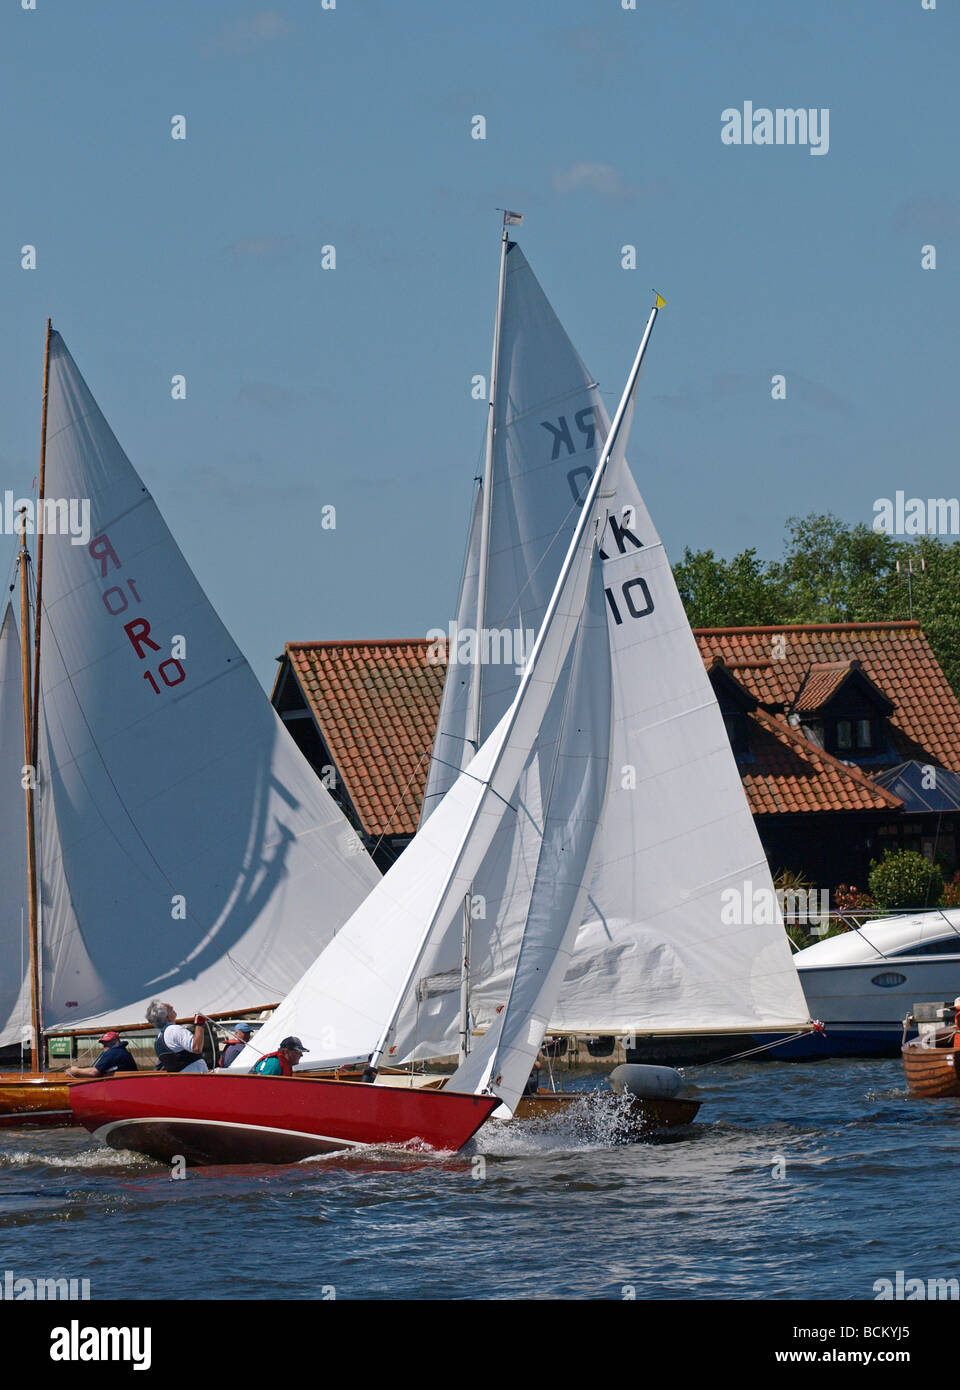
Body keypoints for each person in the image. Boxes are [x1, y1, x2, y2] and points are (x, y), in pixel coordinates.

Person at [146, 1000, 209, 1074]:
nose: (172, 1007)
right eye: (170, 1008)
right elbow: (196, 1048)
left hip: (181, 1080)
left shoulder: (159, 1038)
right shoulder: (174, 1030)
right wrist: (200, 1024)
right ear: (167, 1016)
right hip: (196, 1078)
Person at [65, 1031, 139, 1080]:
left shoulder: (114, 1052)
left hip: (124, 1086)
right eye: (103, 1043)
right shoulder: (121, 1051)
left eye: (108, 1042)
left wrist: (76, 1071)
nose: (105, 1045)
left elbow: (94, 1072)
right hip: (127, 1083)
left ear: (116, 1042)